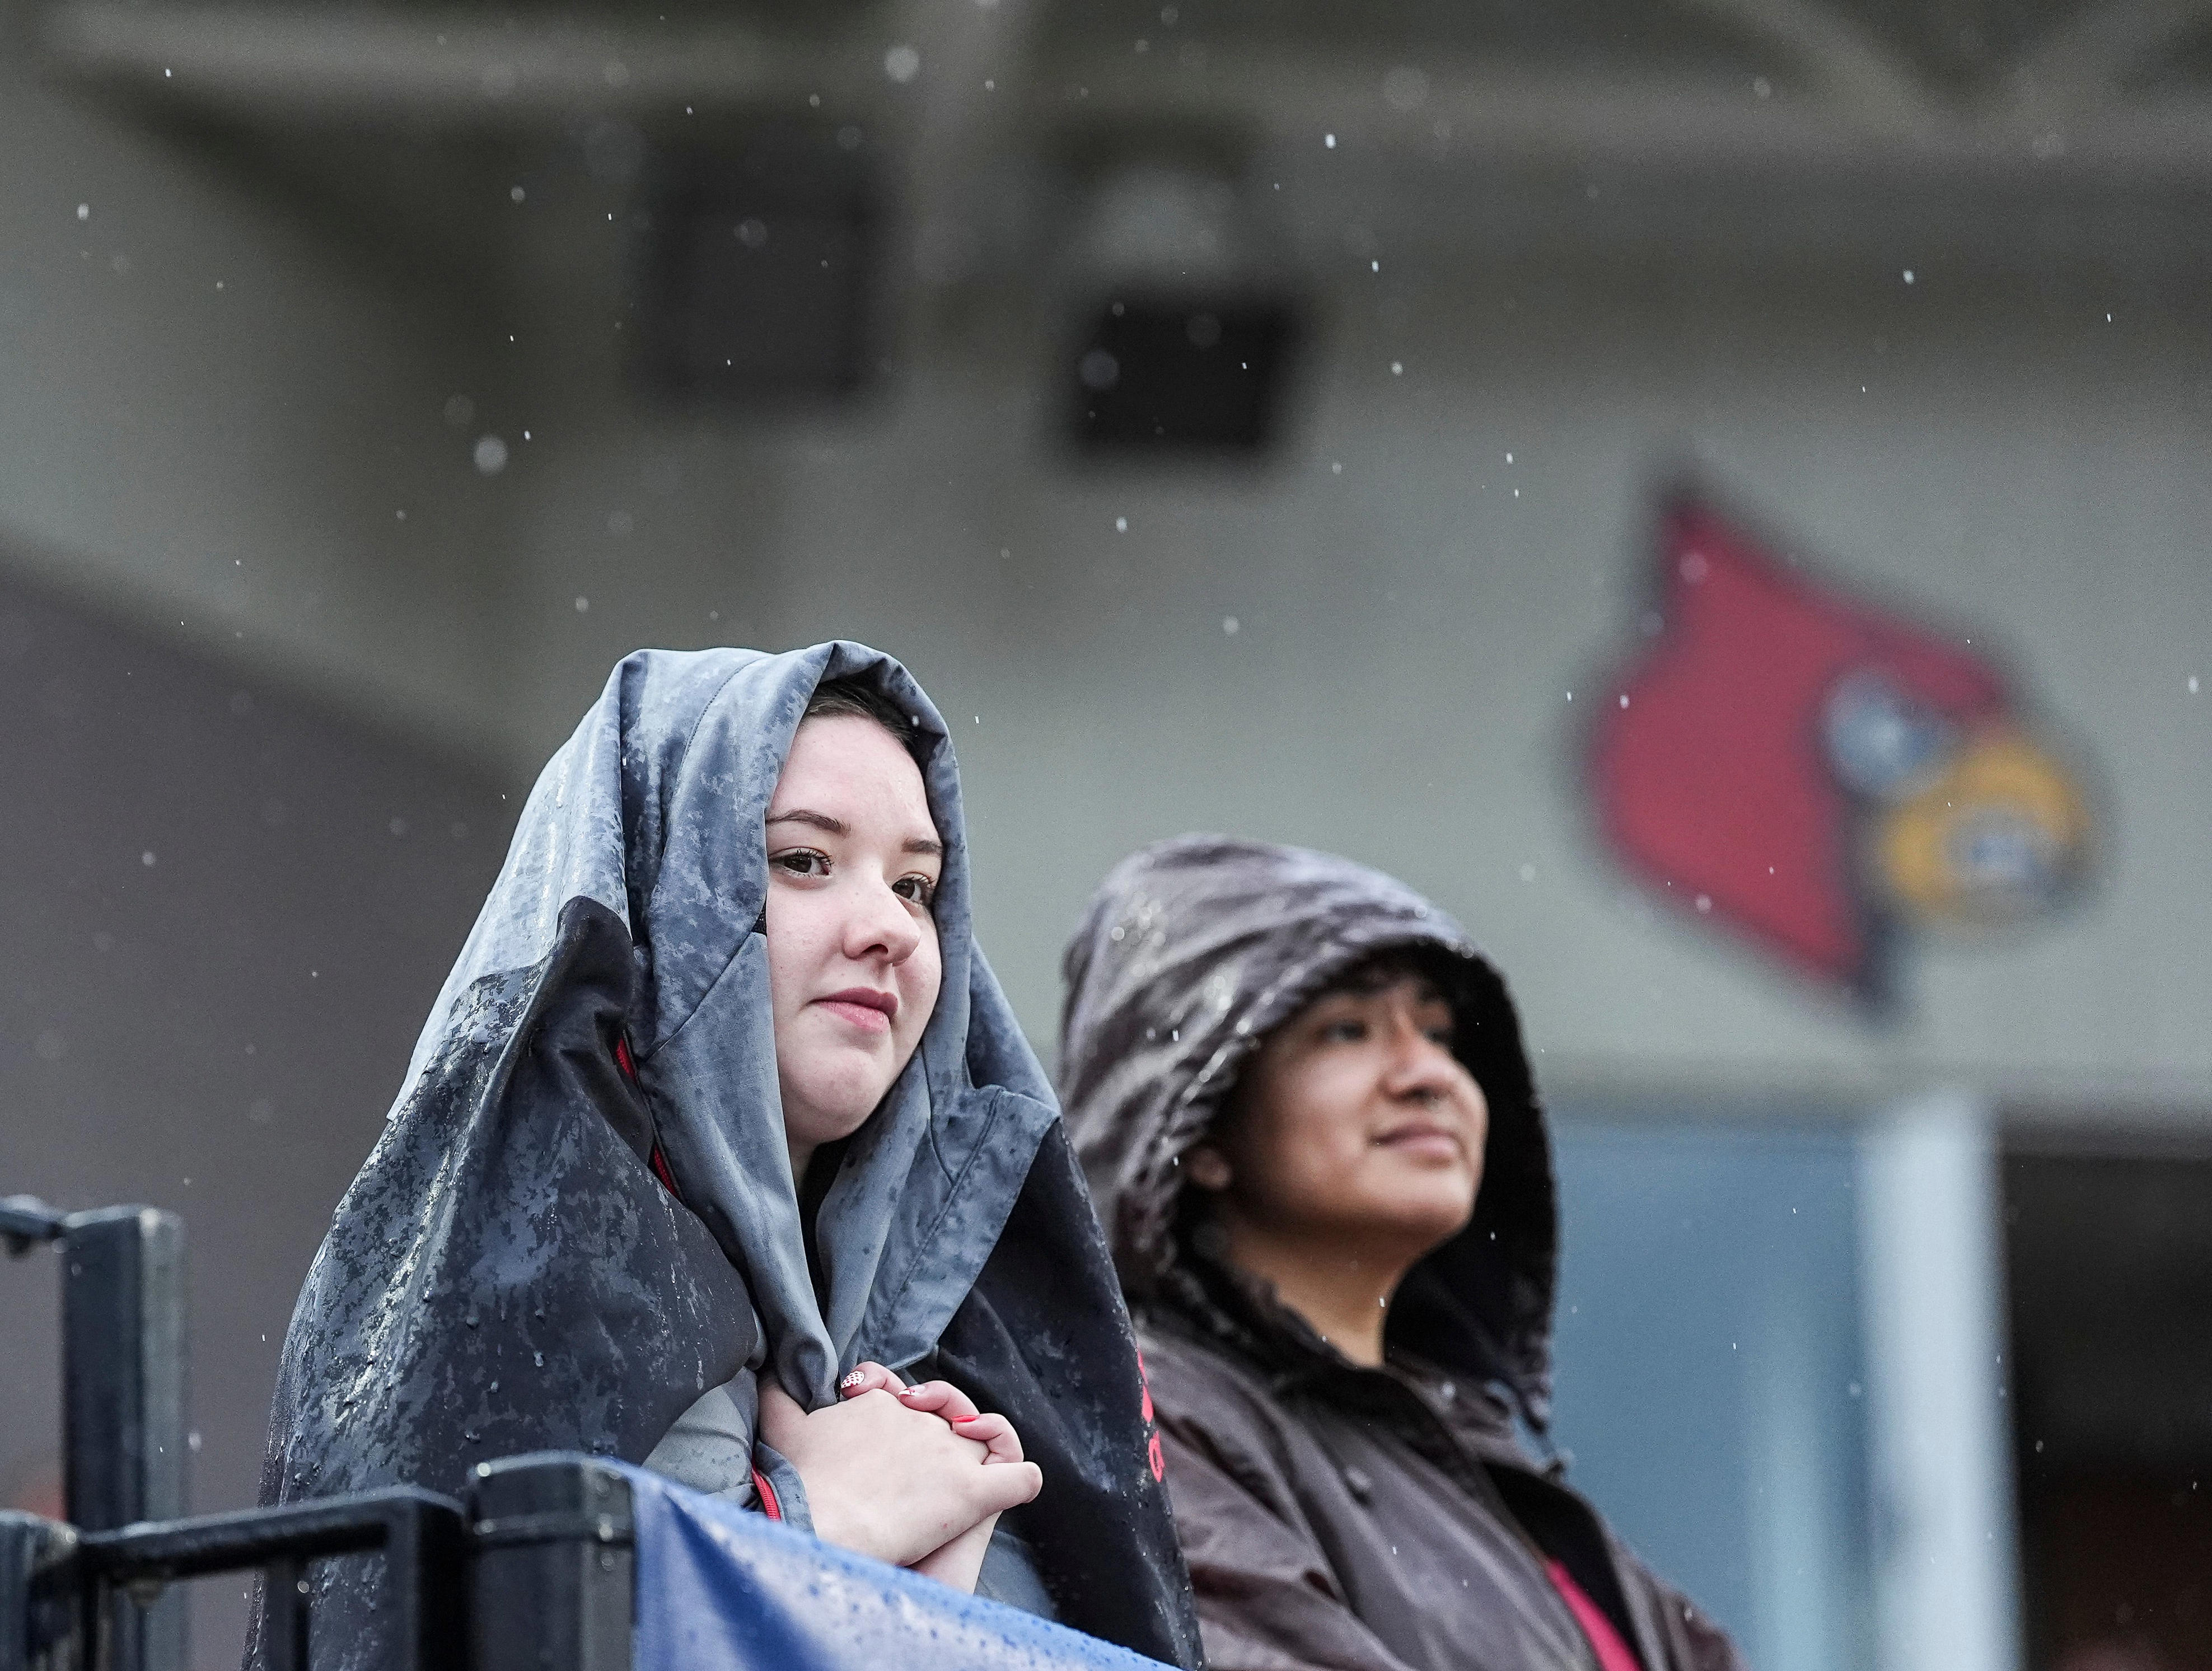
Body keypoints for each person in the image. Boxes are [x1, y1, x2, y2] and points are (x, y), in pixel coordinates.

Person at [253, 645, 1198, 1668]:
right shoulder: (509, 1286)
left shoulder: (974, 1359)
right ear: (660, 906)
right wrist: (803, 1534)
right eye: (802, 860)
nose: (889, 925)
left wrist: (916, 1590)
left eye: (918, 885)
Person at [1059, 835, 1745, 1671]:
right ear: (1199, 1130)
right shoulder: (1149, 1422)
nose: (1429, 1073)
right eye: (1347, 1030)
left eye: (1440, 1031)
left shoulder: (1472, 1459)